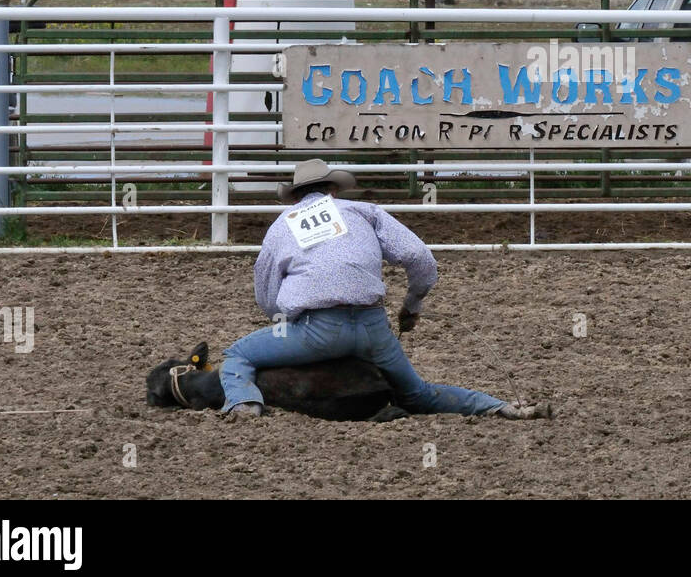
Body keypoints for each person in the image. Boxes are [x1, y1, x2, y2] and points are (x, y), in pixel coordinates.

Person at [220, 158, 552, 419]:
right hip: (373, 328)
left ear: (293, 197)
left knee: (238, 354)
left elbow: (266, 293)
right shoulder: (365, 212)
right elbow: (421, 258)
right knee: (418, 393)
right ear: (333, 190)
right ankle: (500, 406)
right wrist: (412, 304)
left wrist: (283, 321)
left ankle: (245, 404)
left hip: (316, 331)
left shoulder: (282, 226)